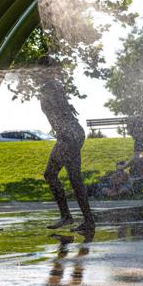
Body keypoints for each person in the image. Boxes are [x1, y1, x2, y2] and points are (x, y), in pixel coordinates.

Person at [36, 55, 95, 232]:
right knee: (75, 179)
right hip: (73, 133)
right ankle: (88, 220)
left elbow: (60, 110)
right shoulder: (53, 86)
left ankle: (67, 216)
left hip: (69, 135)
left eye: (41, 69)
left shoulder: (51, 87)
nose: (38, 72)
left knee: (50, 174)